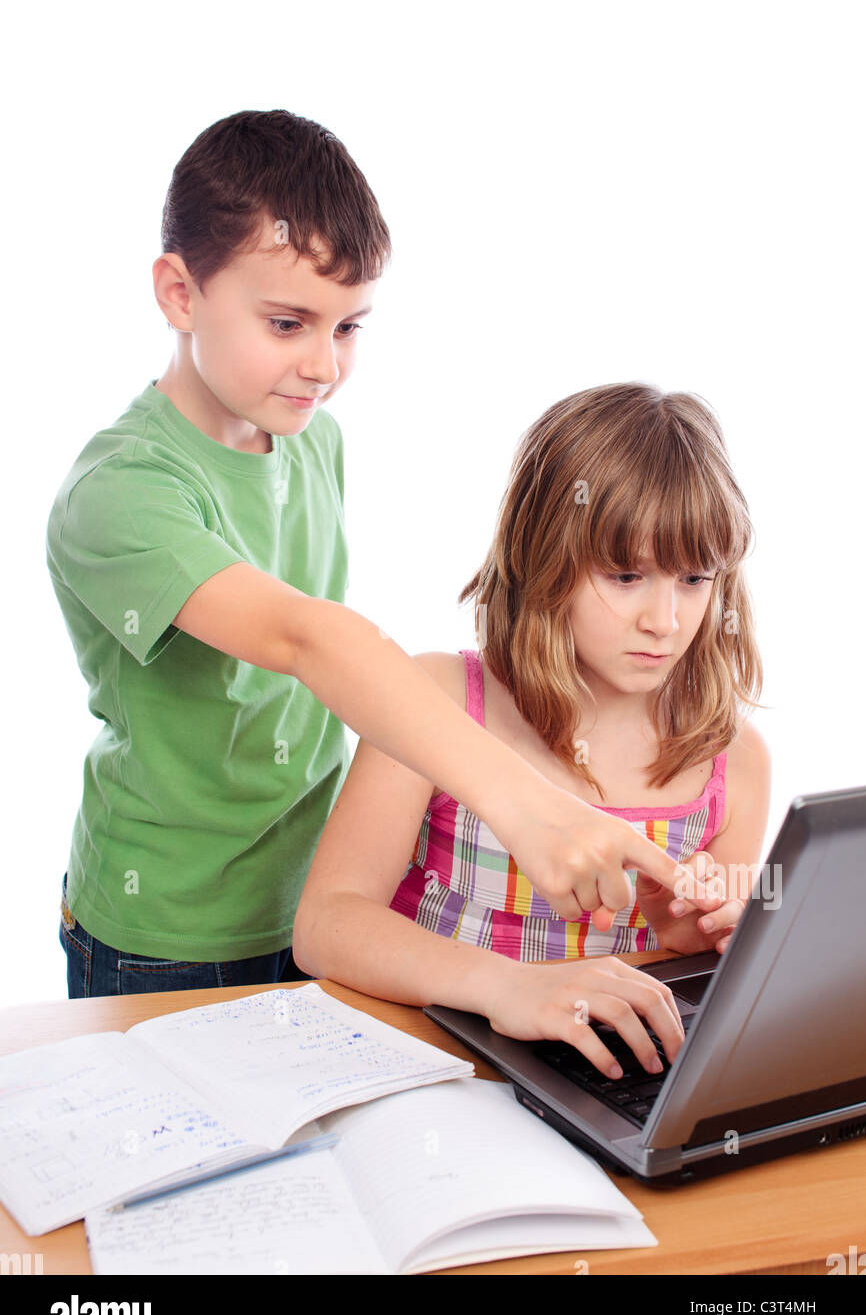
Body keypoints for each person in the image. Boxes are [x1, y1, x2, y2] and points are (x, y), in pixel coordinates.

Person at [47, 111, 708, 1003]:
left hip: (311, 903)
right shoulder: (121, 494)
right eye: (287, 323)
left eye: (349, 327)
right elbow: (308, 641)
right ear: (179, 292)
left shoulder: (312, 442)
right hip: (167, 931)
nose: (324, 365)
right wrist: (532, 809)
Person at [292, 383, 772, 1079]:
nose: (664, 621)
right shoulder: (436, 703)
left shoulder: (732, 762)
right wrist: (511, 987)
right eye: (626, 574)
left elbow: (684, 983)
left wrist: (693, 942)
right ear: (546, 557)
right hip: (433, 1067)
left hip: (601, 1087)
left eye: (695, 578)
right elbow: (325, 925)